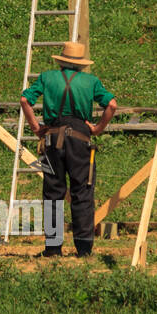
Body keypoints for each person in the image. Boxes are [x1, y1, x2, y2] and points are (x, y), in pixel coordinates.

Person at [20, 42, 116, 257]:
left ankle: (53, 249)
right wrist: (98, 128)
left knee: (53, 192)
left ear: (61, 61)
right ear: (81, 65)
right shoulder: (90, 81)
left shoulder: (47, 77)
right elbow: (112, 105)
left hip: (53, 139)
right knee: (82, 192)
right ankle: (83, 249)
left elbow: (25, 99)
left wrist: (36, 127)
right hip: (80, 138)